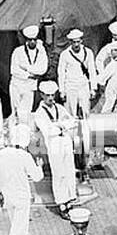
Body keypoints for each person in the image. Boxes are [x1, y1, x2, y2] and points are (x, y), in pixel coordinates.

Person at [33, 81, 78, 217]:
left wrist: (59, 126)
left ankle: (70, 199)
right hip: (54, 145)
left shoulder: (60, 108)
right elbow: (48, 131)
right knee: (59, 174)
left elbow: (72, 122)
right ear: (42, 95)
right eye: (47, 95)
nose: (51, 98)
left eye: (53, 95)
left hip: (65, 142)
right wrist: (62, 125)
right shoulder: (39, 113)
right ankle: (62, 203)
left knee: (69, 170)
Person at [9, 25, 49, 123]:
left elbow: (42, 69)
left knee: (26, 112)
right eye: (30, 40)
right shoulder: (18, 52)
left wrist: (26, 68)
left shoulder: (41, 52)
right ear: (26, 40)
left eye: (34, 40)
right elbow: (14, 70)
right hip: (17, 85)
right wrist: (29, 74)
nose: (32, 42)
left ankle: (24, 132)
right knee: (16, 112)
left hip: (30, 87)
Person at [57, 28, 96, 118]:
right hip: (70, 85)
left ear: (81, 41)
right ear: (70, 42)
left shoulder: (88, 52)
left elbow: (92, 70)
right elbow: (61, 73)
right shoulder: (65, 54)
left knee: (86, 111)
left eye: (78, 42)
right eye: (74, 42)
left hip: (83, 84)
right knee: (70, 112)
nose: (76, 44)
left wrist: (93, 88)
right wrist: (62, 91)